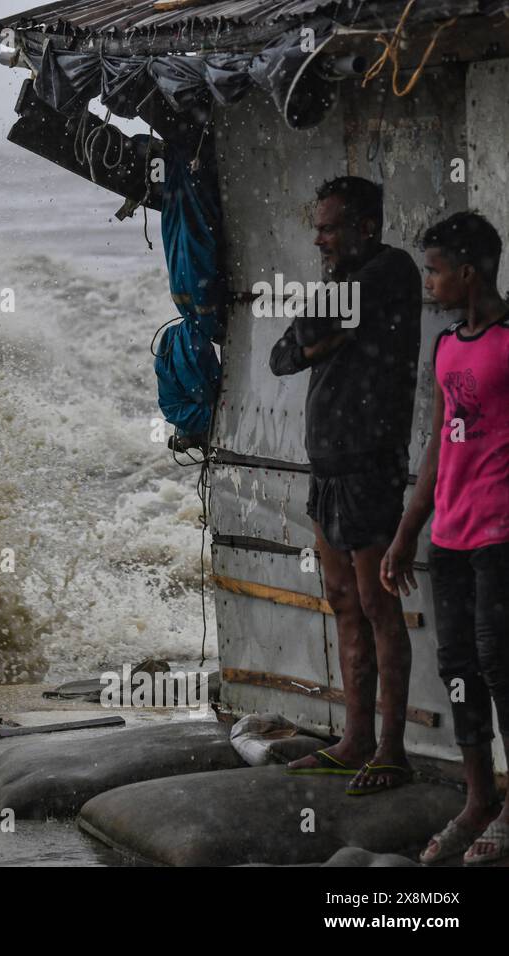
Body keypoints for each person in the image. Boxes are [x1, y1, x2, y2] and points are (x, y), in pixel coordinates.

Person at [270, 177, 422, 794]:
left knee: (378, 607)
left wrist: (321, 335)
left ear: (365, 226)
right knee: (341, 599)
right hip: (327, 468)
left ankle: (391, 750)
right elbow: (282, 355)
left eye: (330, 227)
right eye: (319, 226)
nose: (319, 238)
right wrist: (326, 335)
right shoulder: (342, 287)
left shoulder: (391, 271)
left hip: (368, 466)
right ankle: (354, 739)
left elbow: (304, 334)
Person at [382, 212, 509, 864]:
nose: (427, 281)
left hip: (501, 535)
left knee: (499, 660)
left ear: (467, 272)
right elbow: (436, 444)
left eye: (434, 270)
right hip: (450, 538)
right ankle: (479, 797)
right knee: (458, 665)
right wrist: (408, 531)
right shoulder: (450, 345)